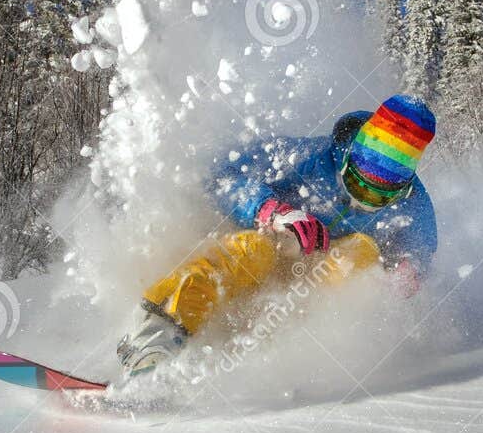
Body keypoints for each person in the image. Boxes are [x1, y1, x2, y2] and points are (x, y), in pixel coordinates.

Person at [116, 94, 439, 380]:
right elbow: (224, 178)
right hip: (267, 248)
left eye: (379, 196)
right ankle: (153, 337)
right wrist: (271, 211)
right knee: (254, 250)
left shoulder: (414, 201)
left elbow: (420, 245)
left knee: (362, 251)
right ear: (350, 159)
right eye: (358, 184)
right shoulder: (309, 158)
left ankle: (293, 357)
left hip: (307, 287)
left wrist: (408, 269)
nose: (364, 197)